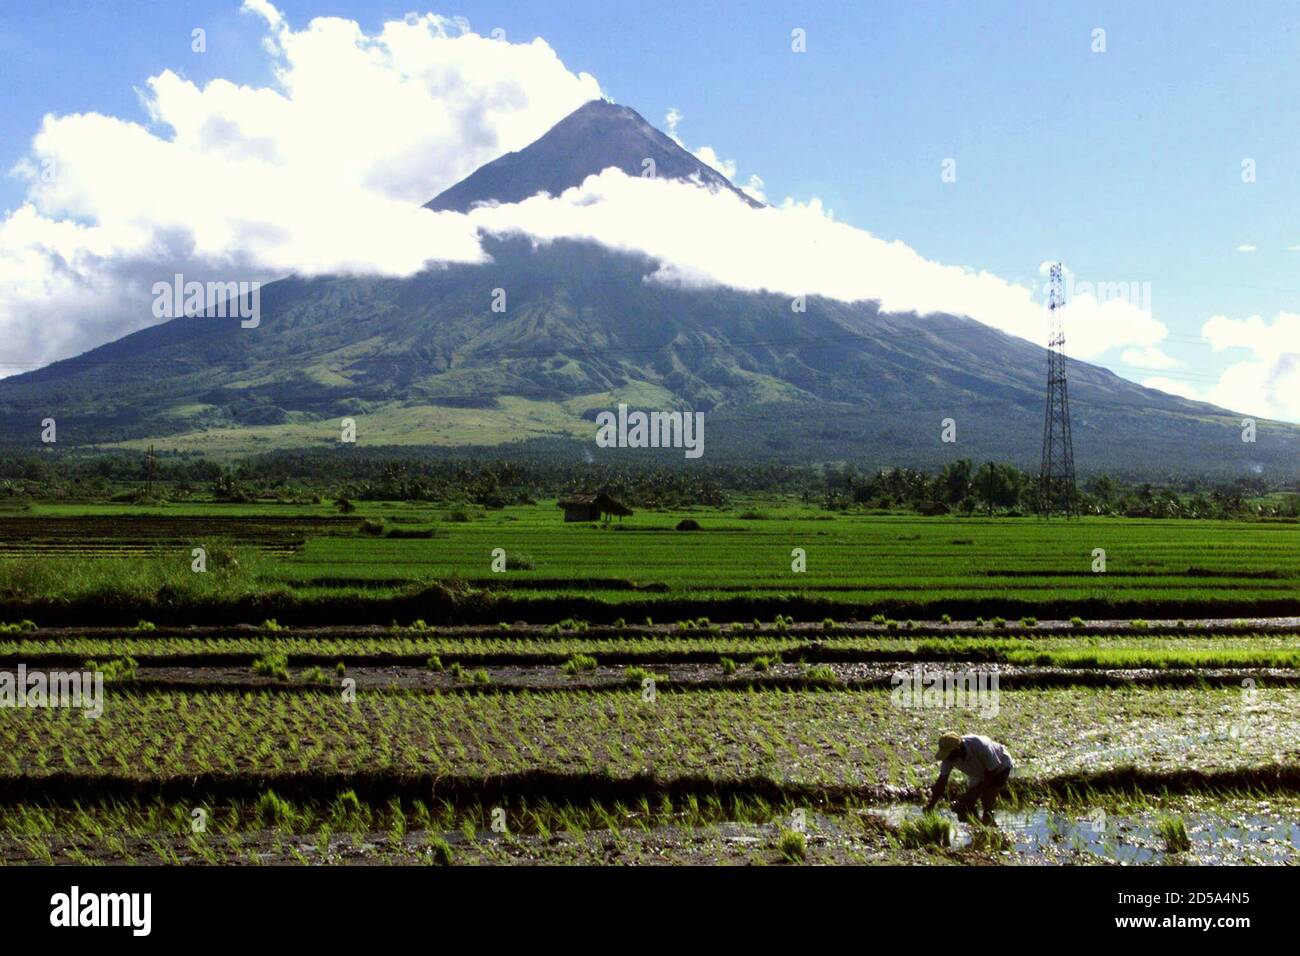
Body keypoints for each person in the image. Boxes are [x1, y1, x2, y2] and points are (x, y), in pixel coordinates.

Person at [923, 732, 1013, 824]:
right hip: (976, 771)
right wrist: (931, 805)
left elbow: (993, 771)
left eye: (950, 754)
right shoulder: (948, 757)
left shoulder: (980, 745)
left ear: (958, 749)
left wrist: (976, 791)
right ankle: (975, 825)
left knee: (987, 800)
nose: (948, 757)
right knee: (968, 802)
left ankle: (989, 827)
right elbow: (941, 782)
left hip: (1000, 765)